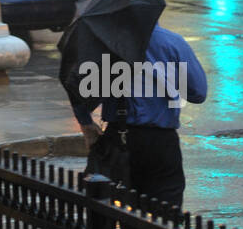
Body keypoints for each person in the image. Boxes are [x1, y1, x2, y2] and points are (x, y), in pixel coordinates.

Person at [69, 21, 207, 208]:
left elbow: (77, 85)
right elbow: (198, 93)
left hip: (119, 137)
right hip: (161, 141)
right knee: (166, 213)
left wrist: (86, 123)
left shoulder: (104, 45)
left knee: (122, 208)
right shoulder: (172, 42)